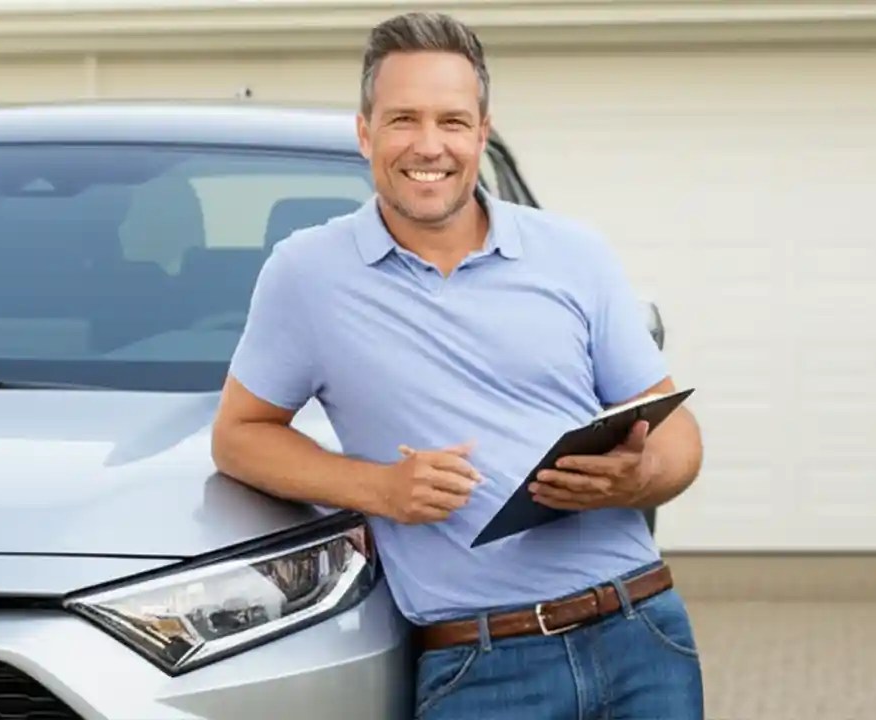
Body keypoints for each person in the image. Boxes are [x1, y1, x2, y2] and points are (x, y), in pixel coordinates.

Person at [210, 10, 706, 720]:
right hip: (482, 665)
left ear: (482, 132)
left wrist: (638, 476)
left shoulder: (575, 254)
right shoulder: (307, 275)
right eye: (403, 119)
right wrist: (379, 489)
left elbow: (678, 432)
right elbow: (239, 434)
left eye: (452, 121)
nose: (429, 146)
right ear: (365, 132)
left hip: (642, 631)